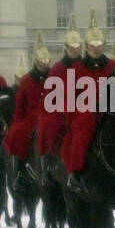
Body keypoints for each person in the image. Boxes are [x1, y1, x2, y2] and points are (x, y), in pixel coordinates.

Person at [64, 11, 115, 195]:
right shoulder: (76, 68)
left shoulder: (112, 66)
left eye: (99, 44)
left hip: (111, 110)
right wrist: (73, 119)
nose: (96, 48)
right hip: (86, 112)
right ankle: (76, 172)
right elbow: (71, 99)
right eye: (93, 45)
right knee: (82, 131)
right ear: (86, 46)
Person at [4, 33, 51, 191]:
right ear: (36, 62)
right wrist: (18, 122)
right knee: (17, 133)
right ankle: (18, 173)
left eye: (47, 61)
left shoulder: (54, 76)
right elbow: (19, 106)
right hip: (31, 117)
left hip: (51, 114)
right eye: (42, 62)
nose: (45, 65)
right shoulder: (26, 80)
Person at [37, 13, 83, 160]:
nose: (75, 50)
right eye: (72, 47)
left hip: (85, 108)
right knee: (50, 125)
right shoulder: (57, 69)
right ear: (66, 47)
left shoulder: (86, 66)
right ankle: (49, 160)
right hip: (62, 110)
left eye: (77, 47)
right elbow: (52, 95)